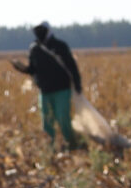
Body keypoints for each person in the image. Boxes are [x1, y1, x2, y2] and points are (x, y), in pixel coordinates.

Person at [14, 22, 85, 151]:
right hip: (45, 91)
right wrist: (22, 68)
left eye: (41, 29)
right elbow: (33, 69)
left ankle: (72, 144)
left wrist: (77, 84)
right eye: (36, 30)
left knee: (63, 118)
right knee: (47, 121)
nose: (38, 32)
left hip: (62, 89)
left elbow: (72, 66)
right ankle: (49, 148)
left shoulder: (60, 46)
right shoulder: (34, 49)